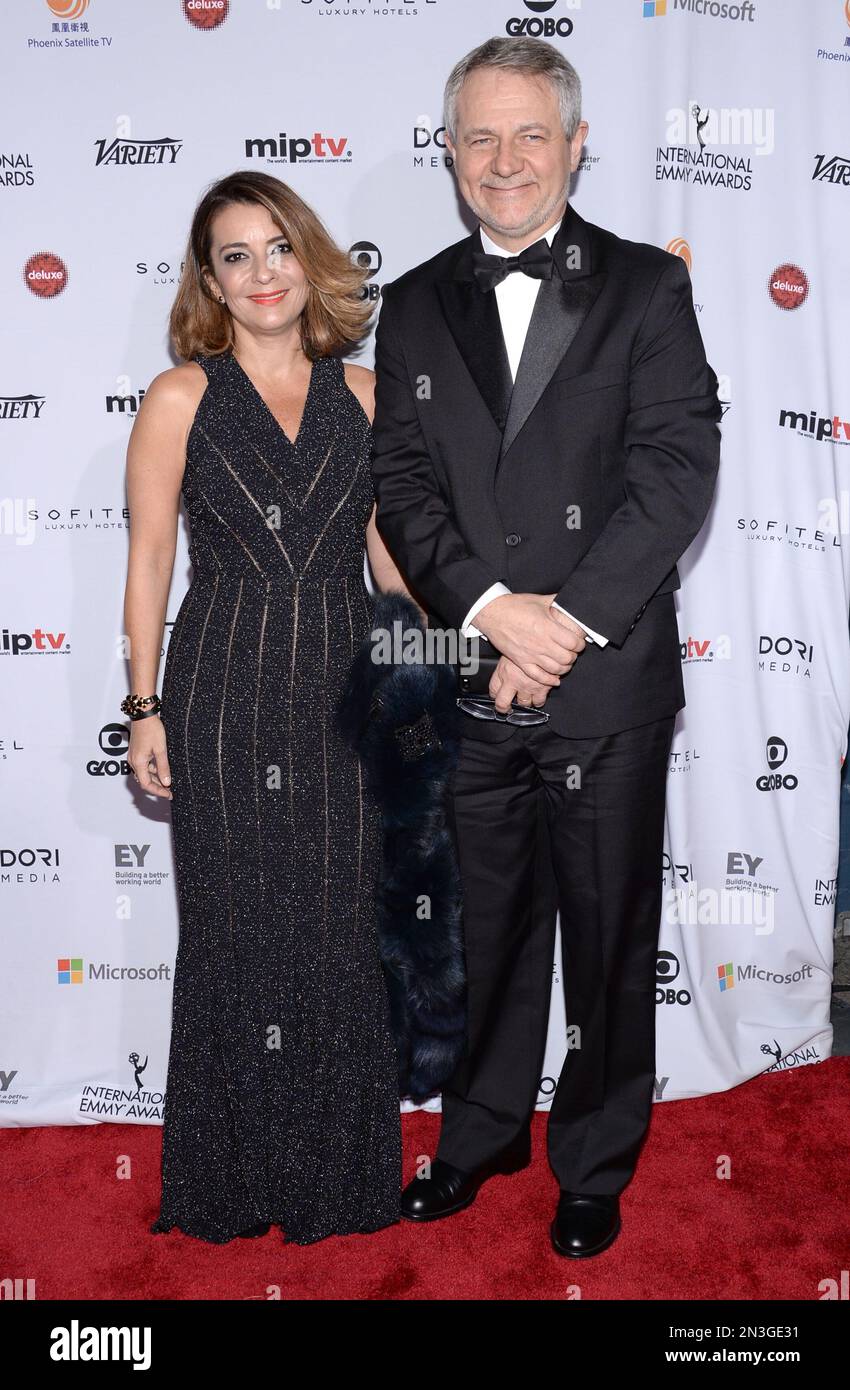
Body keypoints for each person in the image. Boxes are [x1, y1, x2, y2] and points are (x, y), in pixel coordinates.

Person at [371, 36, 722, 1258]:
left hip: (606, 675)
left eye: (530, 134)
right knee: (484, 921)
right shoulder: (412, 301)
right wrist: (485, 612)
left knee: (609, 928)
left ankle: (594, 1155)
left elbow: (674, 475)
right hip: (471, 670)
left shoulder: (644, 287)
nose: (504, 160)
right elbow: (403, 484)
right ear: (450, 153)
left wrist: (558, 625)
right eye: (479, 136)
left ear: (575, 145)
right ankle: (478, 1131)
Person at [123, 169, 411, 1245]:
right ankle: (229, 1182)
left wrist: (451, 656)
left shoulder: (370, 395)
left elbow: (388, 560)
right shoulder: (180, 398)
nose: (260, 273)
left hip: (343, 686)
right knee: (236, 929)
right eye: (234, 255)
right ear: (209, 277)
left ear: (310, 257)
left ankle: (335, 1182)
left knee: (340, 926)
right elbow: (151, 559)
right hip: (225, 681)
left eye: (276, 248)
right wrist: (143, 706)